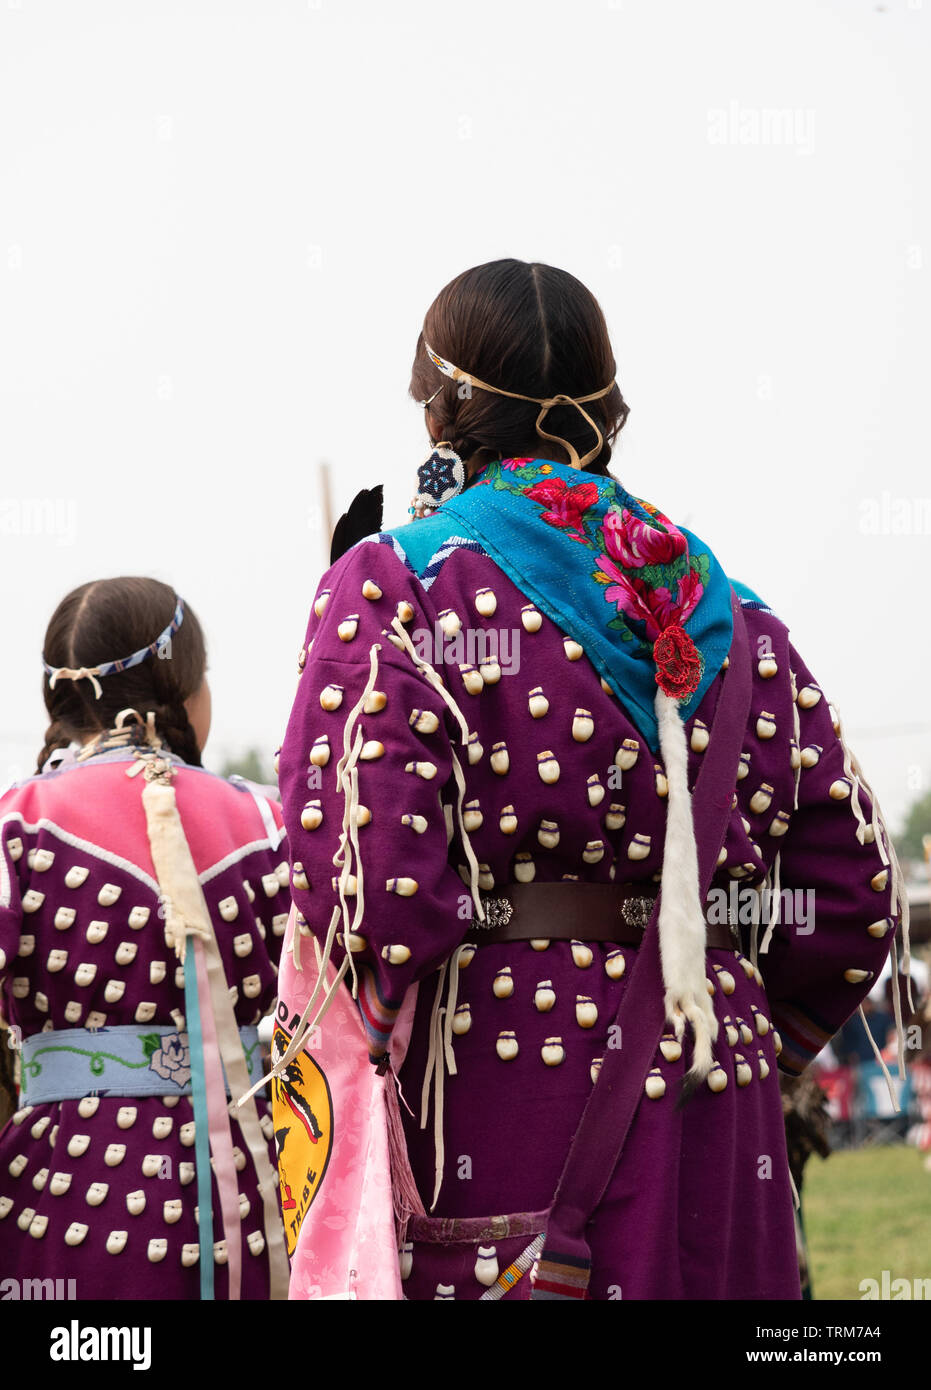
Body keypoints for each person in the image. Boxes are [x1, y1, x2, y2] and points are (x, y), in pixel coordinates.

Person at [274, 258, 907, 1300]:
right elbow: (849, 899)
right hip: (722, 1091)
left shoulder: (403, 583)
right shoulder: (736, 614)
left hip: (509, 1081)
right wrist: (737, 1030)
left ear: (444, 410)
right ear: (610, 406)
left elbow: (373, 895)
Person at [0, 577, 289, 1299]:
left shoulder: (18, 821)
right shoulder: (267, 821)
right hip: (258, 1202)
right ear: (183, 685)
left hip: (66, 1201)